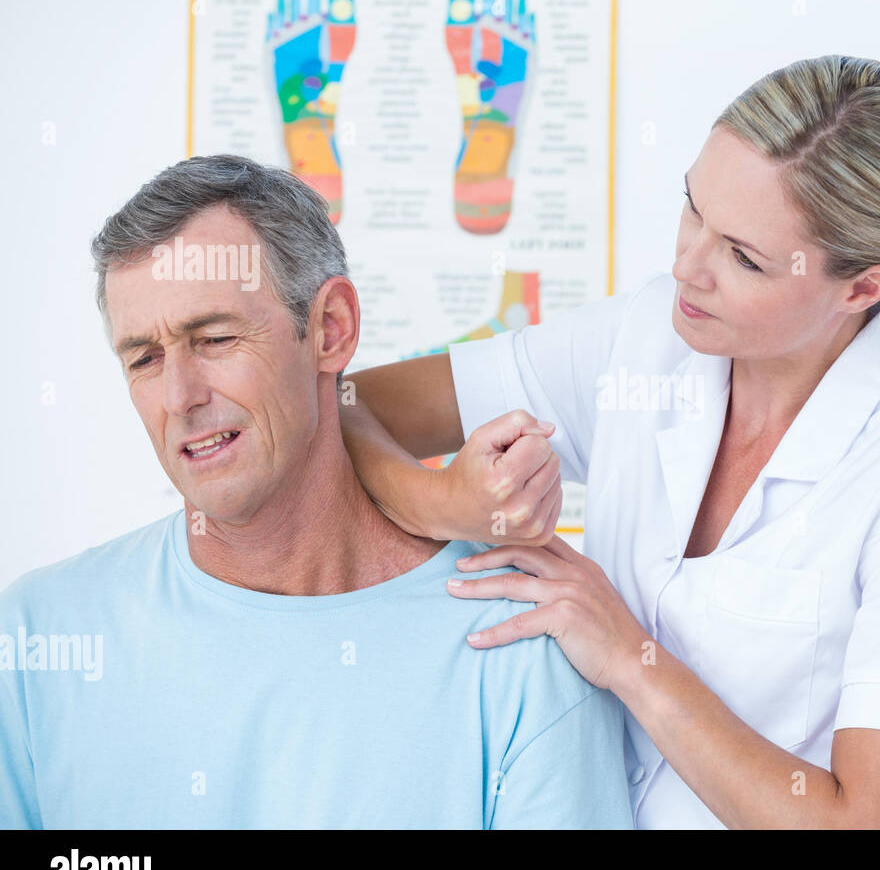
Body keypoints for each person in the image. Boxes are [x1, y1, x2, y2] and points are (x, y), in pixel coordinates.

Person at [340, 55, 880, 829]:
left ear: (863, 287)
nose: (684, 266)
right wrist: (445, 503)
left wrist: (630, 655)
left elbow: (864, 823)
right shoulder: (644, 339)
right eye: (693, 209)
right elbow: (350, 403)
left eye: (744, 257)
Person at [0, 155, 631, 829]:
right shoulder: (40, 638)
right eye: (145, 359)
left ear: (330, 329)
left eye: (213, 338)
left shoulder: (521, 644)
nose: (180, 398)